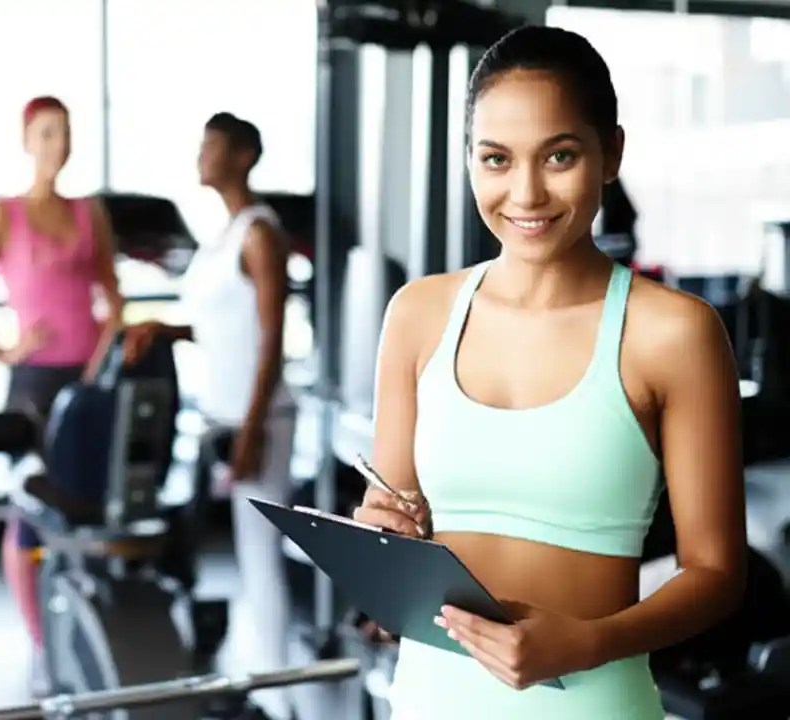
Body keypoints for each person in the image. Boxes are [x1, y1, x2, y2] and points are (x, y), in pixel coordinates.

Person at [353, 26, 745, 719]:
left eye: (558, 156)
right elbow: (394, 532)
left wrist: (590, 643)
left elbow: (717, 575)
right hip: (427, 702)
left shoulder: (673, 333)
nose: (526, 193)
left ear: (610, 154)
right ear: (471, 160)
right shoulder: (417, 314)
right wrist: (381, 542)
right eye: (497, 159)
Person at [0, 95, 123, 691]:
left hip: (89, 382)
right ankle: (42, 644)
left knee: (85, 508)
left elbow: (113, 298)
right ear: (26, 140)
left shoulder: (88, 211)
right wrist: (4, 351)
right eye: (46, 134)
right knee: (29, 514)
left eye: (64, 134)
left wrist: (101, 361)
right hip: (34, 385)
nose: (57, 145)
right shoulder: (3, 213)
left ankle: (83, 628)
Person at [122, 112, 296, 720]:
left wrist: (252, 432)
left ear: (244, 155)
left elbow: (273, 338)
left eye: (213, 145)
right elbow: (226, 328)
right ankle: (257, 678)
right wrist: (164, 328)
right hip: (219, 415)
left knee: (260, 555)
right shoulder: (222, 235)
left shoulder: (259, 233)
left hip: (259, 419)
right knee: (233, 556)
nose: (201, 154)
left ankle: (276, 698)